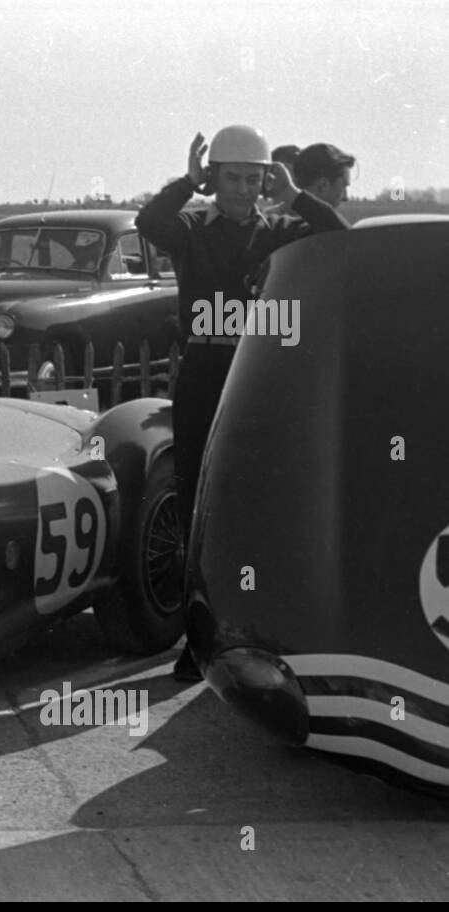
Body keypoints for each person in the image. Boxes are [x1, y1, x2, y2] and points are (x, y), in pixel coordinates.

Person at [136, 125, 347, 680]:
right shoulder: (189, 228)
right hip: (205, 375)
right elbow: (148, 223)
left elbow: (338, 234)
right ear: (214, 177)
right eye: (233, 178)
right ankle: (198, 638)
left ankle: (260, 635)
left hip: (260, 379)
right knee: (196, 506)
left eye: (255, 179)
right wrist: (187, 181)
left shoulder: (281, 228)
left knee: (260, 506)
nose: (244, 190)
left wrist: (295, 194)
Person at [292, 143, 356, 209]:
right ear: (323, 185)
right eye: (343, 187)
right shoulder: (323, 219)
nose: (346, 198)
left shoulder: (284, 217)